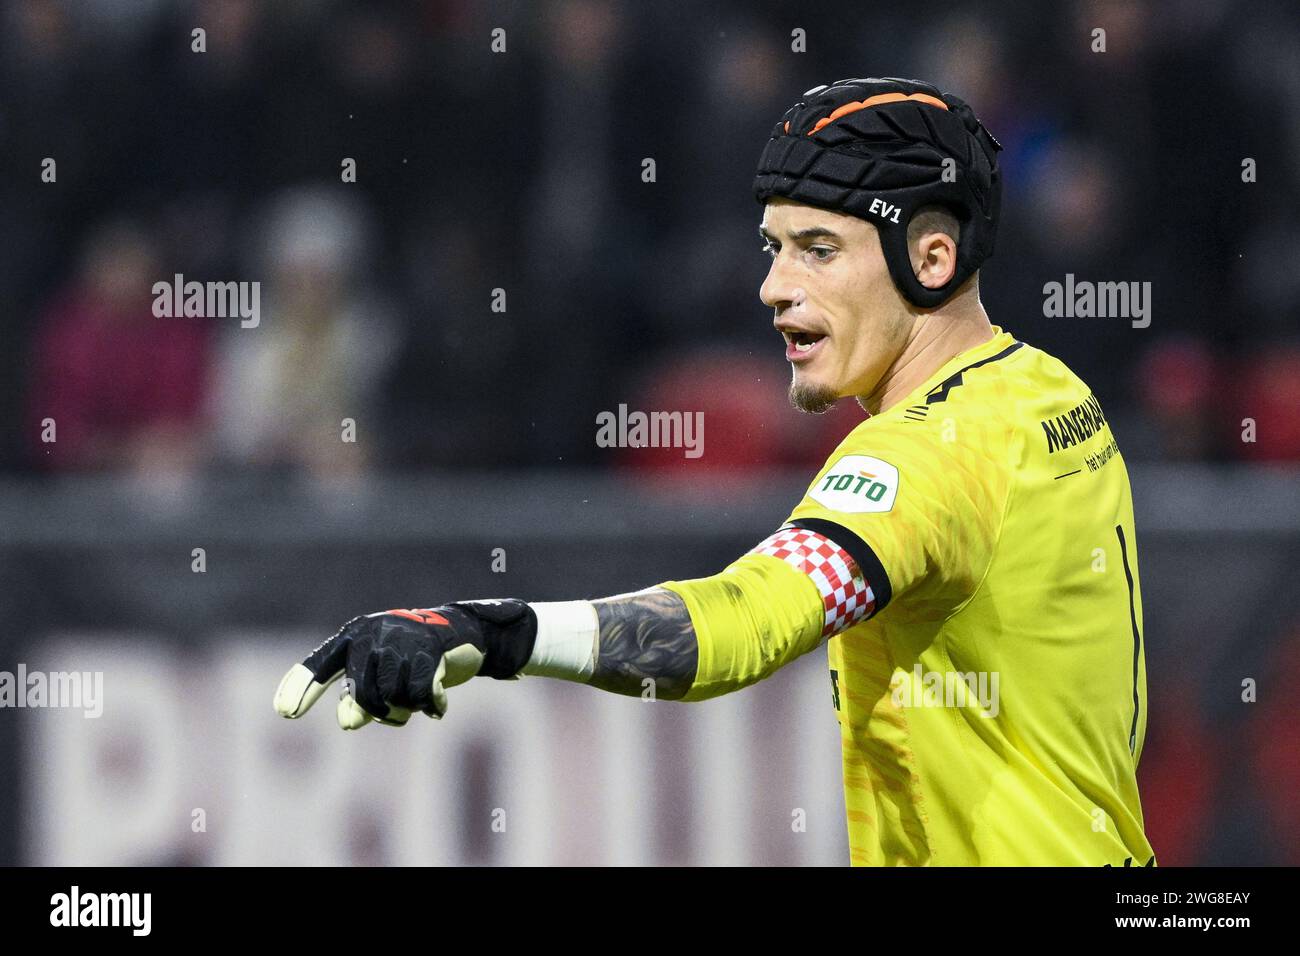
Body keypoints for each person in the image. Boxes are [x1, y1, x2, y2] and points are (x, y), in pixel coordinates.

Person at [274, 77, 1154, 867]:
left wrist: (495, 630)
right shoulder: (1046, 390)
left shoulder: (926, 453)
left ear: (931, 258)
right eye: (773, 247)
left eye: (818, 247)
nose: (773, 286)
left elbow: (738, 628)